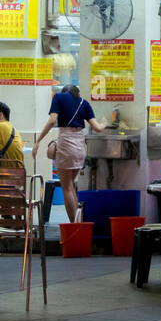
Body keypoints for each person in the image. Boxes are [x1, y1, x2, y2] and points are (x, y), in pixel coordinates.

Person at [33, 85, 106, 223]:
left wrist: (38, 140)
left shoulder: (59, 97)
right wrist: (104, 123)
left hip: (66, 144)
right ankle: (78, 223)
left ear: (64, 92)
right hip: (80, 146)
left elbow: (52, 120)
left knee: (66, 188)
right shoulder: (84, 102)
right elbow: (97, 128)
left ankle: (74, 225)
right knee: (71, 186)